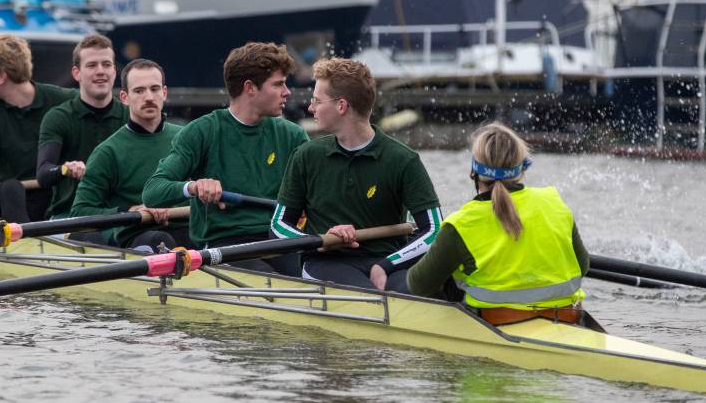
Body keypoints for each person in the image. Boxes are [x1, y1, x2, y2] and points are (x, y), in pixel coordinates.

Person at [271, 58, 442, 291]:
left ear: (341, 106)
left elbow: (434, 230)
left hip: (387, 263)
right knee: (371, 297)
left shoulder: (403, 159)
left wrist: (386, 265)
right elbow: (278, 225)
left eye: (317, 101)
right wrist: (319, 242)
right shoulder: (306, 156)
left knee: (420, 292)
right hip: (327, 263)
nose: (310, 108)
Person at [143, 42, 308, 276]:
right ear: (250, 88)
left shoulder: (293, 135)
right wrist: (194, 187)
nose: (287, 92)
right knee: (274, 279)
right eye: (279, 84)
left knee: (311, 276)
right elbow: (152, 192)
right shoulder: (202, 131)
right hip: (225, 244)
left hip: (280, 238)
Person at [407, 123, 590, 326]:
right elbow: (582, 267)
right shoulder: (553, 202)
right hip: (565, 318)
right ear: (522, 169)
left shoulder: (459, 225)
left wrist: (443, 258)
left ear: (473, 173)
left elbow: (417, 285)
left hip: (495, 325)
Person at [70, 59, 191, 251]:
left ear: (164, 93)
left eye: (154, 89)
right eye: (139, 91)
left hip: (189, 229)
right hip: (142, 236)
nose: (149, 97)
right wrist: (131, 210)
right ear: (125, 97)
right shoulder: (108, 152)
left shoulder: (189, 137)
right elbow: (80, 211)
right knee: (161, 241)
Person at [0, 34, 75, 227]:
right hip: (8, 197)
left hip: (53, 188)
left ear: (1, 76)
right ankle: (25, 244)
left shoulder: (61, 99)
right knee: (10, 188)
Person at [36, 34, 128, 221]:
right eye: (92, 65)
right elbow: (43, 174)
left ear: (114, 71)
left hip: (122, 214)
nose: (101, 71)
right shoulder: (58, 117)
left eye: (107, 64)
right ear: (76, 73)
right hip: (70, 217)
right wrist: (65, 169)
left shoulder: (131, 116)